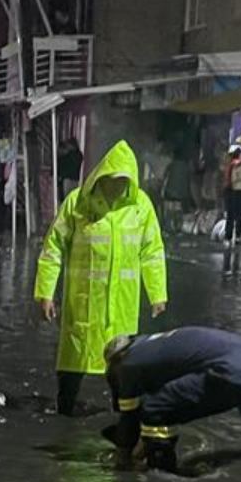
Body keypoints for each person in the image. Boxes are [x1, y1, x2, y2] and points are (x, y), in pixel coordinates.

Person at [34, 141, 168, 417]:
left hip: (122, 306)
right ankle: (65, 412)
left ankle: (124, 420)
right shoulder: (77, 204)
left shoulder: (140, 206)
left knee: (121, 367)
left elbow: (152, 252)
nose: (119, 187)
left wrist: (157, 294)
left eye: (125, 181)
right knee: (73, 364)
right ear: (102, 177)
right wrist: (45, 293)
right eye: (115, 180)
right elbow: (53, 248)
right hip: (83, 303)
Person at [103, 327, 241, 474]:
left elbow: (129, 417)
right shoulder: (157, 343)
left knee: (155, 407)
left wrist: (123, 458)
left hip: (232, 371)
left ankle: (161, 473)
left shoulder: (127, 364)